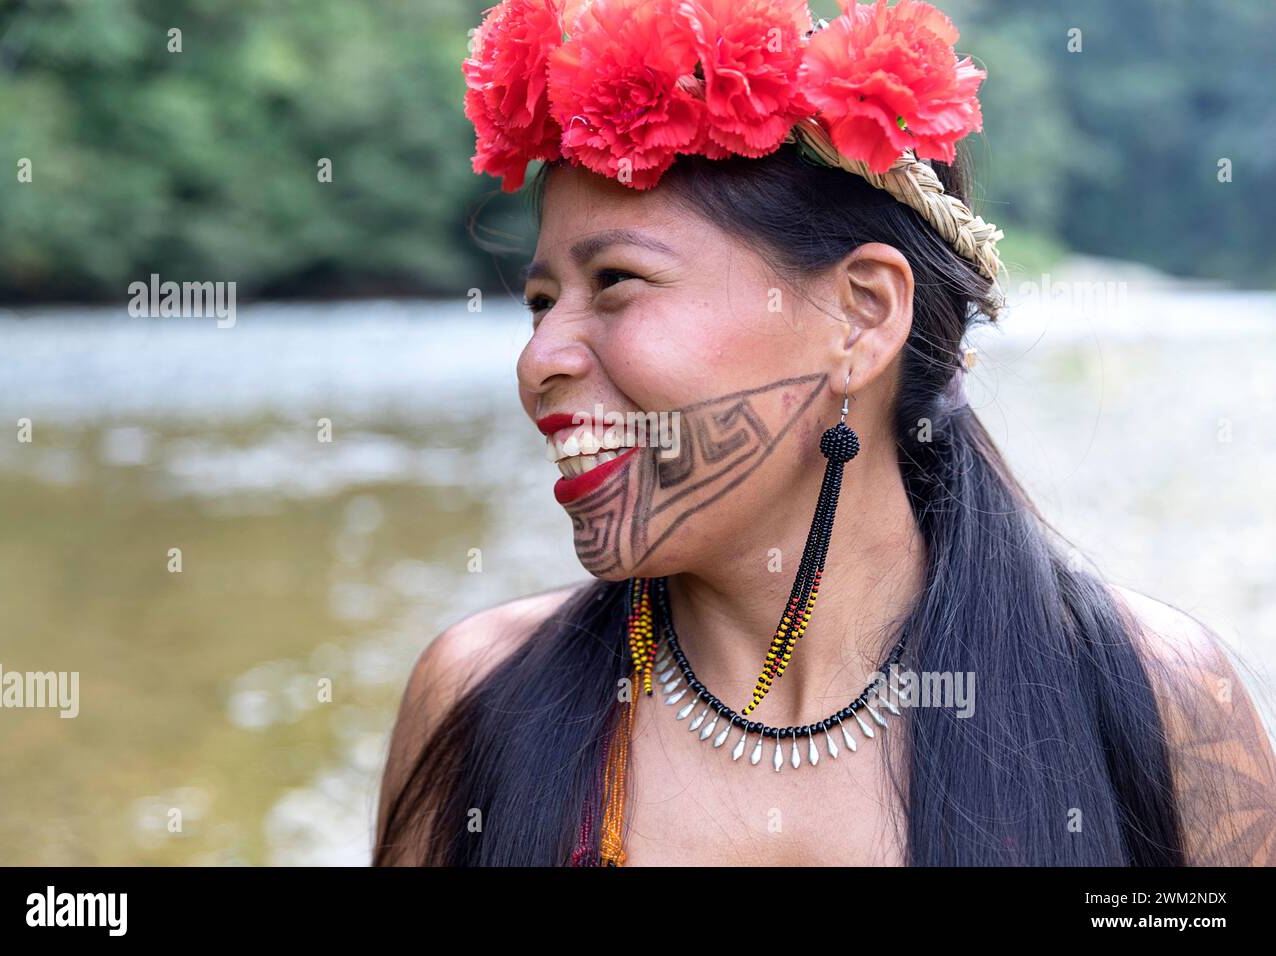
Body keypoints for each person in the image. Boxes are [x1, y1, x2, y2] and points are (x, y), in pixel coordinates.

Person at [375, 0, 1276, 866]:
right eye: (540, 302)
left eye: (614, 281)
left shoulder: (1157, 701)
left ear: (861, 316)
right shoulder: (478, 699)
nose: (538, 360)